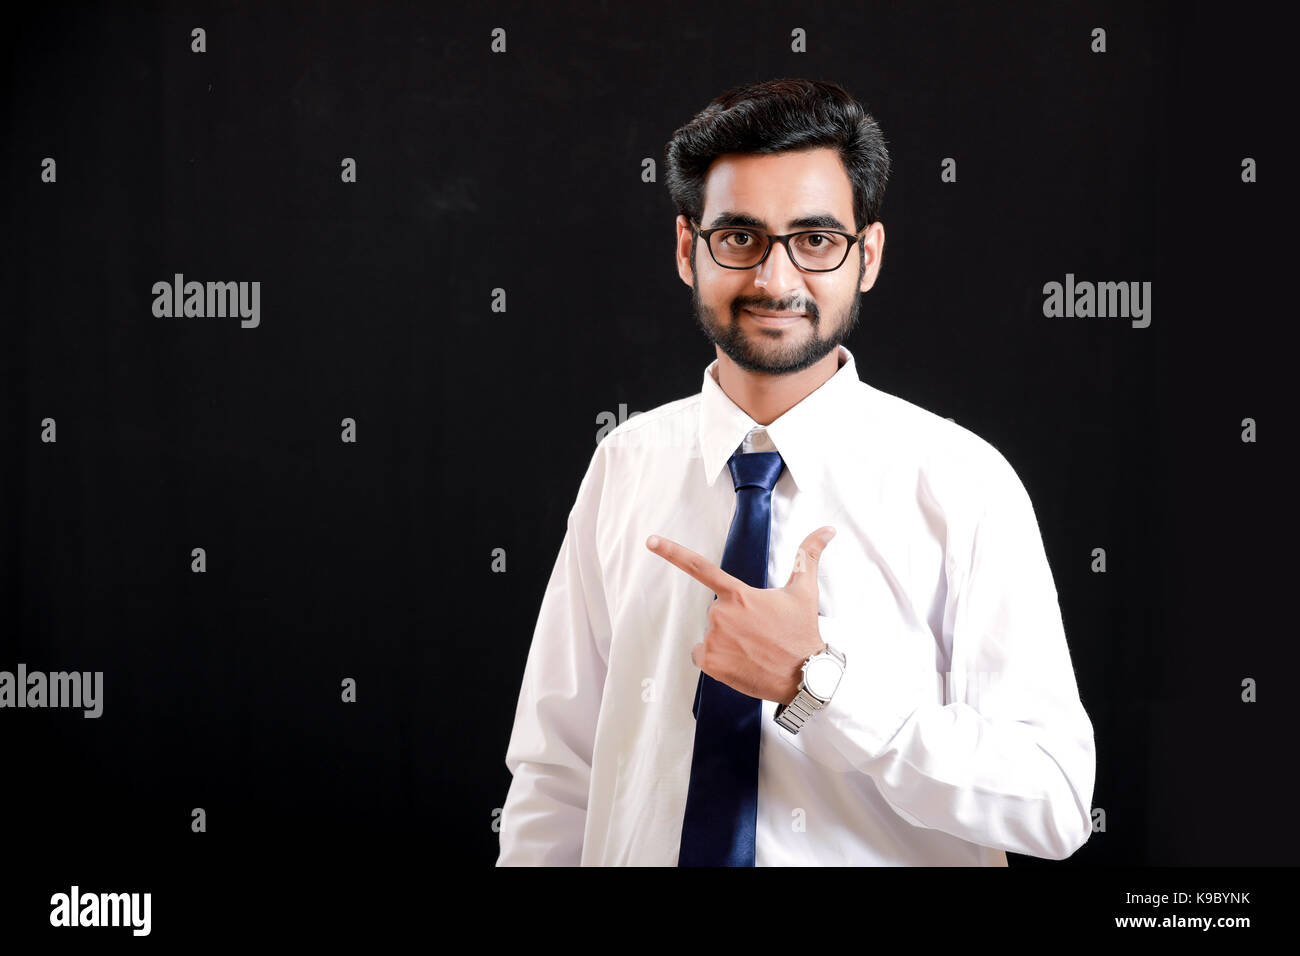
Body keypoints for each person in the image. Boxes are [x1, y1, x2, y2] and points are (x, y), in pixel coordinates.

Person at [496, 77, 1095, 866]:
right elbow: (556, 773)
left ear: (867, 256)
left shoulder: (962, 483)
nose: (776, 281)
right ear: (687, 249)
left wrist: (817, 684)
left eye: (815, 240)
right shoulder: (624, 464)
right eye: (739, 238)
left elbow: (1052, 802)